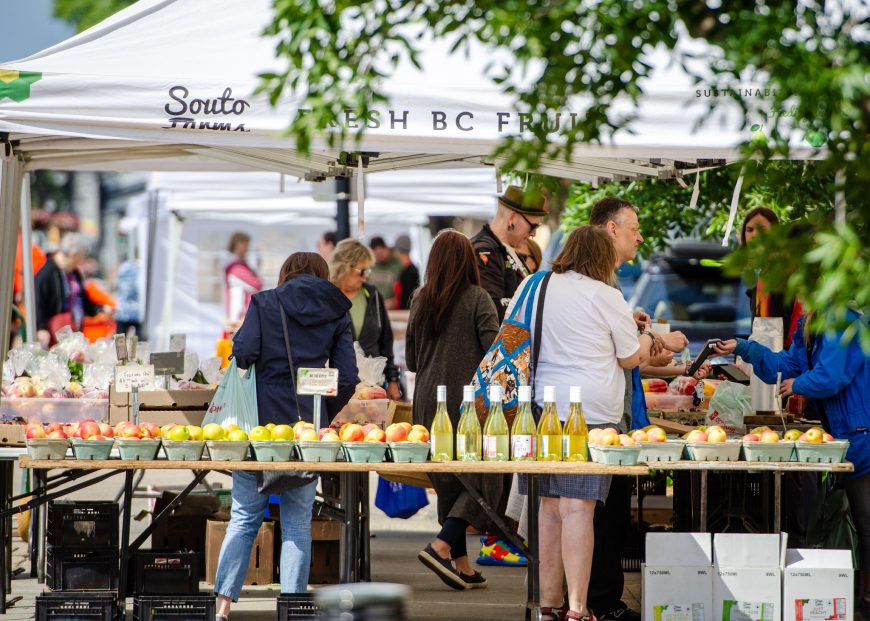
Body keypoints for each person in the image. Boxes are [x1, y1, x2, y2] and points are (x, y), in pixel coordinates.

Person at [516, 225, 662, 621]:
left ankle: (548, 605)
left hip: (542, 411)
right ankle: (579, 609)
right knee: (578, 508)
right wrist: (648, 336)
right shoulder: (606, 294)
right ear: (601, 258)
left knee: (548, 508)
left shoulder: (536, 284)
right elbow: (631, 357)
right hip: (591, 415)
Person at [214, 252, 357, 620]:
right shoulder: (338, 311)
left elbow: (243, 353)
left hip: (259, 426)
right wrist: (323, 412)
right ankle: (292, 609)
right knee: (297, 523)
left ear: (286, 273)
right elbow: (348, 376)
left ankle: (222, 605)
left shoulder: (264, 302)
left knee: (244, 516)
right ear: (323, 275)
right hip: (308, 428)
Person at [713, 310, 869, 614]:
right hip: (849, 433)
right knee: (863, 523)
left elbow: (831, 376)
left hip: (863, 434)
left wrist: (798, 385)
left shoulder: (842, 320)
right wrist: (744, 348)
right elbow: (783, 366)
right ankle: (862, 598)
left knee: (867, 523)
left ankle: (865, 599)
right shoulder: (810, 323)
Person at [587, 197, 688, 621]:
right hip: (604, 415)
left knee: (602, 515)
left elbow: (618, 348)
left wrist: (635, 326)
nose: (640, 237)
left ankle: (597, 599)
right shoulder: (600, 285)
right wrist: (663, 345)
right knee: (603, 517)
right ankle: (603, 603)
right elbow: (625, 356)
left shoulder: (604, 283)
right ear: (611, 230)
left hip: (609, 413)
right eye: (634, 228)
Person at [406, 230, 499, 590]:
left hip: (428, 401)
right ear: (468, 262)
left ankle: (461, 564)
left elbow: (412, 361)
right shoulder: (478, 297)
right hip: (467, 403)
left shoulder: (420, 298)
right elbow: (494, 354)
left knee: (449, 480)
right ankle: (441, 545)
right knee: (486, 474)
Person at [330, 239, 401, 401]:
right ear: (344, 267)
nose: (365, 277)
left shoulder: (372, 294)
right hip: (339, 386)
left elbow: (386, 341)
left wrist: (393, 380)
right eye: (362, 271)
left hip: (373, 386)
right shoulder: (328, 296)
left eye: (368, 271)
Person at [472, 185, 548, 322]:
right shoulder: (485, 251)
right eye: (533, 226)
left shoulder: (507, 251)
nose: (533, 234)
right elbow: (492, 312)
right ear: (512, 218)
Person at [741, 207, 802, 347]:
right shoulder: (766, 271)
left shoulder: (780, 271)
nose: (755, 235)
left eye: (761, 229)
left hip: (786, 360)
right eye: (749, 230)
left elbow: (775, 339)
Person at [34, 233, 100, 347]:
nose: (82, 261)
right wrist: (41, 327)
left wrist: (99, 309)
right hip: (55, 335)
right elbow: (37, 303)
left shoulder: (74, 272)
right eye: (82, 256)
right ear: (74, 255)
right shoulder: (47, 273)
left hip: (74, 333)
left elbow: (83, 297)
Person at [224, 232, 262, 322]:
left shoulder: (240, 264)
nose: (247, 248)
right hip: (239, 315)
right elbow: (256, 284)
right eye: (245, 245)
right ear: (238, 245)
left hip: (242, 314)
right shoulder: (235, 266)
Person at [367, 236, 402, 309]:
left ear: (386, 248)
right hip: (373, 308)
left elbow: (403, 291)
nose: (379, 257)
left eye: (381, 253)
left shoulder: (398, 264)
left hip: (393, 310)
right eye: (376, 255)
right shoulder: (368, 266)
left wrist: (393, 302)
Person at [114, 256, 141, 336]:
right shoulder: (143, 269)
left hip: (123, 311)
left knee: (120, 344)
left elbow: (118, 286)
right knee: (140, 345)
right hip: (138, 312)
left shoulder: (124, 267)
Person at [392, 234, 420, 310]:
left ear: (399, 250)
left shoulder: (410, 271)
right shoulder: (406, 269)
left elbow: (408, 298)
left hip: (406, 314)